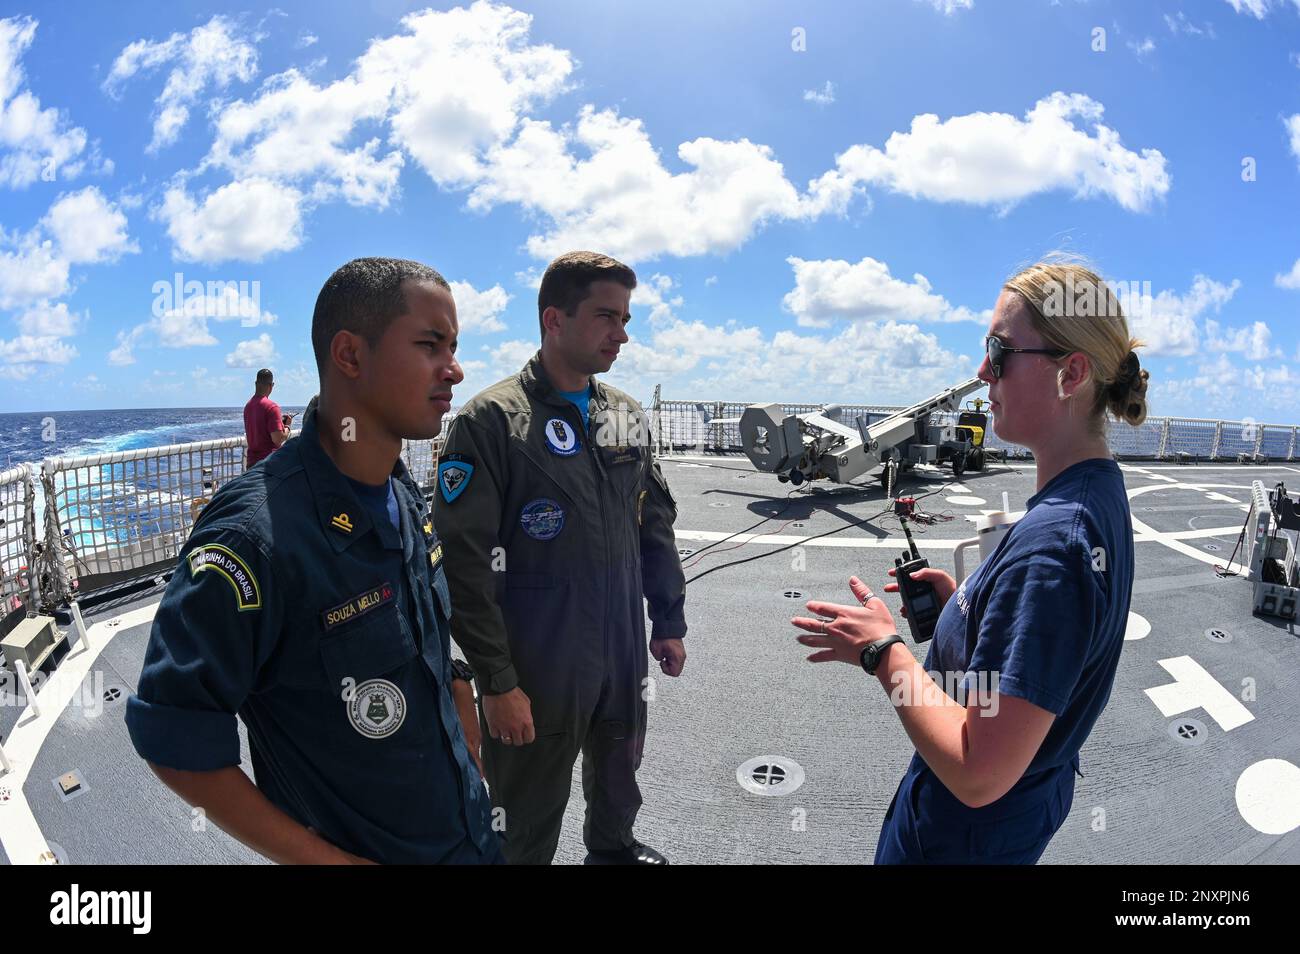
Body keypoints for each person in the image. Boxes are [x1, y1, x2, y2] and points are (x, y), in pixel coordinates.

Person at [126, 257, 501, 864]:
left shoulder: (398, 487)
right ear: (350, 356)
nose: (454, 369)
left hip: (467, 835)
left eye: (453, 347)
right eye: (431, 345)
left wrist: (456, 682)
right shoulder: (254, 538)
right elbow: (174, 736)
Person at [793, 258, 1148, 864]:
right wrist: (969, 602)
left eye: (1000, 350)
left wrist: (885, 653)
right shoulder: (1097, 492)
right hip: (1017, 812)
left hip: (960, 839)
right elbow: (1045, 643)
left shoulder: (1053, 546)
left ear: (1072, 373)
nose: (983, 370)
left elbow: (979, 771)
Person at [433, 250, 687, 865]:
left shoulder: (624, 415)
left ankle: (613, 853)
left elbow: (654, 523)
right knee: (522, 815)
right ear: (554, 319)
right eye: (606, 316)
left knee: (621, 775)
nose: (621, 333)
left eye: (625, 318)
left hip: (622, 648)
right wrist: (496, 681)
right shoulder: (490, 423)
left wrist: (669, 620)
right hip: (537, 662)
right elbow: (466, 565)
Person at [243, 368, 292, 468]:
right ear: (271, 385)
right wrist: (287, 426)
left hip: (251, 464)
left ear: (256, 383)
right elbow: (278, 439)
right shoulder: (272, 407)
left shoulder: (248, 406)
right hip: (268, 465)